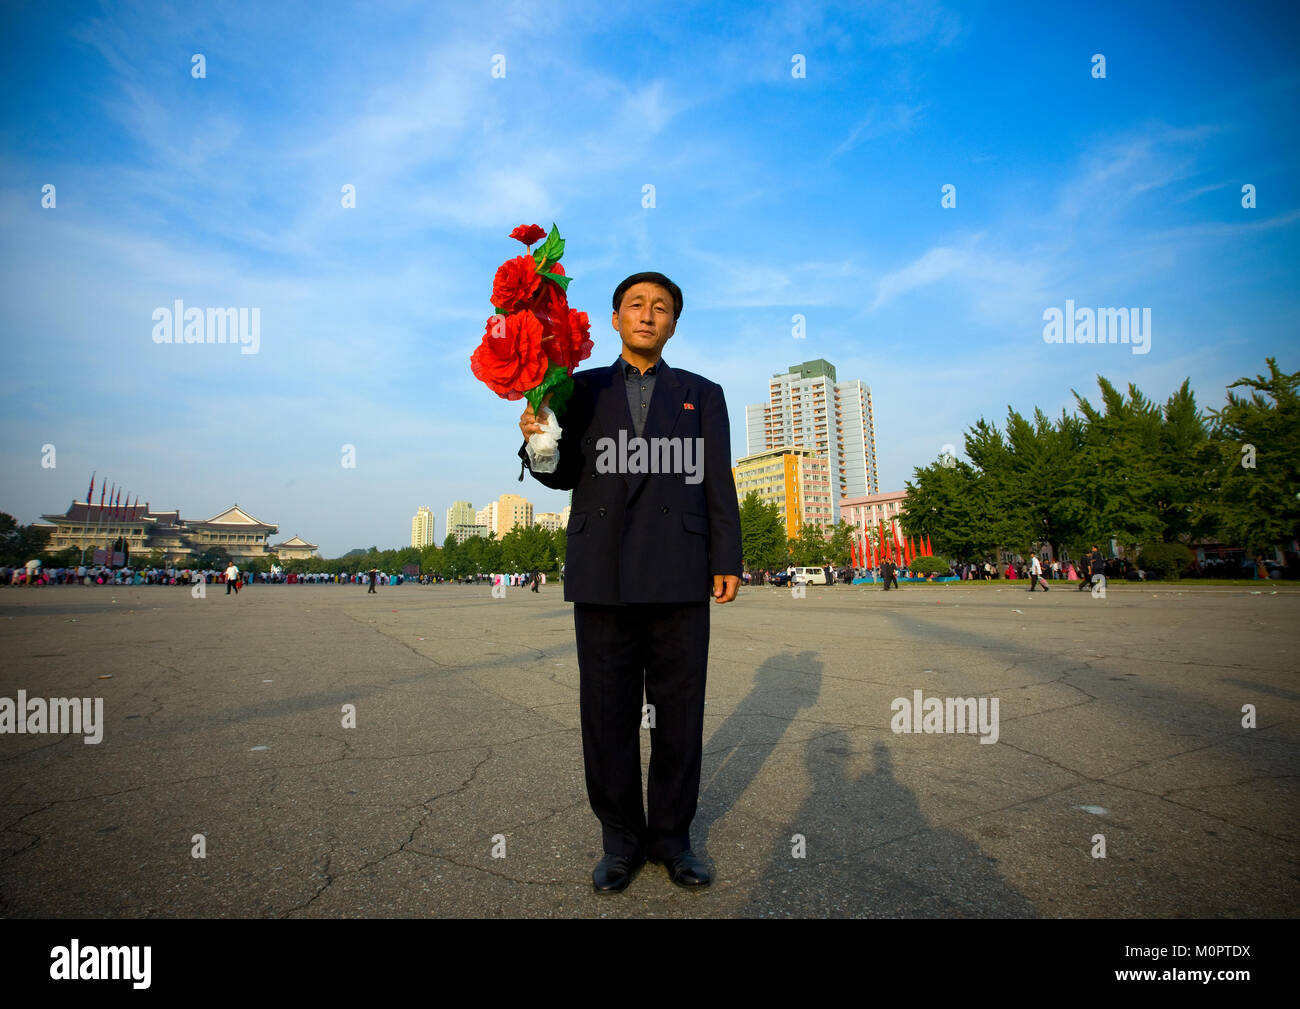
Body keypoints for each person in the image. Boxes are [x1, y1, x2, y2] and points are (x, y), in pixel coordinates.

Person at [518, 271, 741, 893]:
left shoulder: (703, 393)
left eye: (661, 307)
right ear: (614, 319)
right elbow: (561, 475)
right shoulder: (577, 388)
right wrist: (539, 441)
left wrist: (727, 556)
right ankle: (619, 841)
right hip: (603, 571)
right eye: (636, 305)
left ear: (673, 323)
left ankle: (672, 838)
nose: (648, 315)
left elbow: (716, 479)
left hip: (679, 568)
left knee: (679, 713)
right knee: (607, 713)